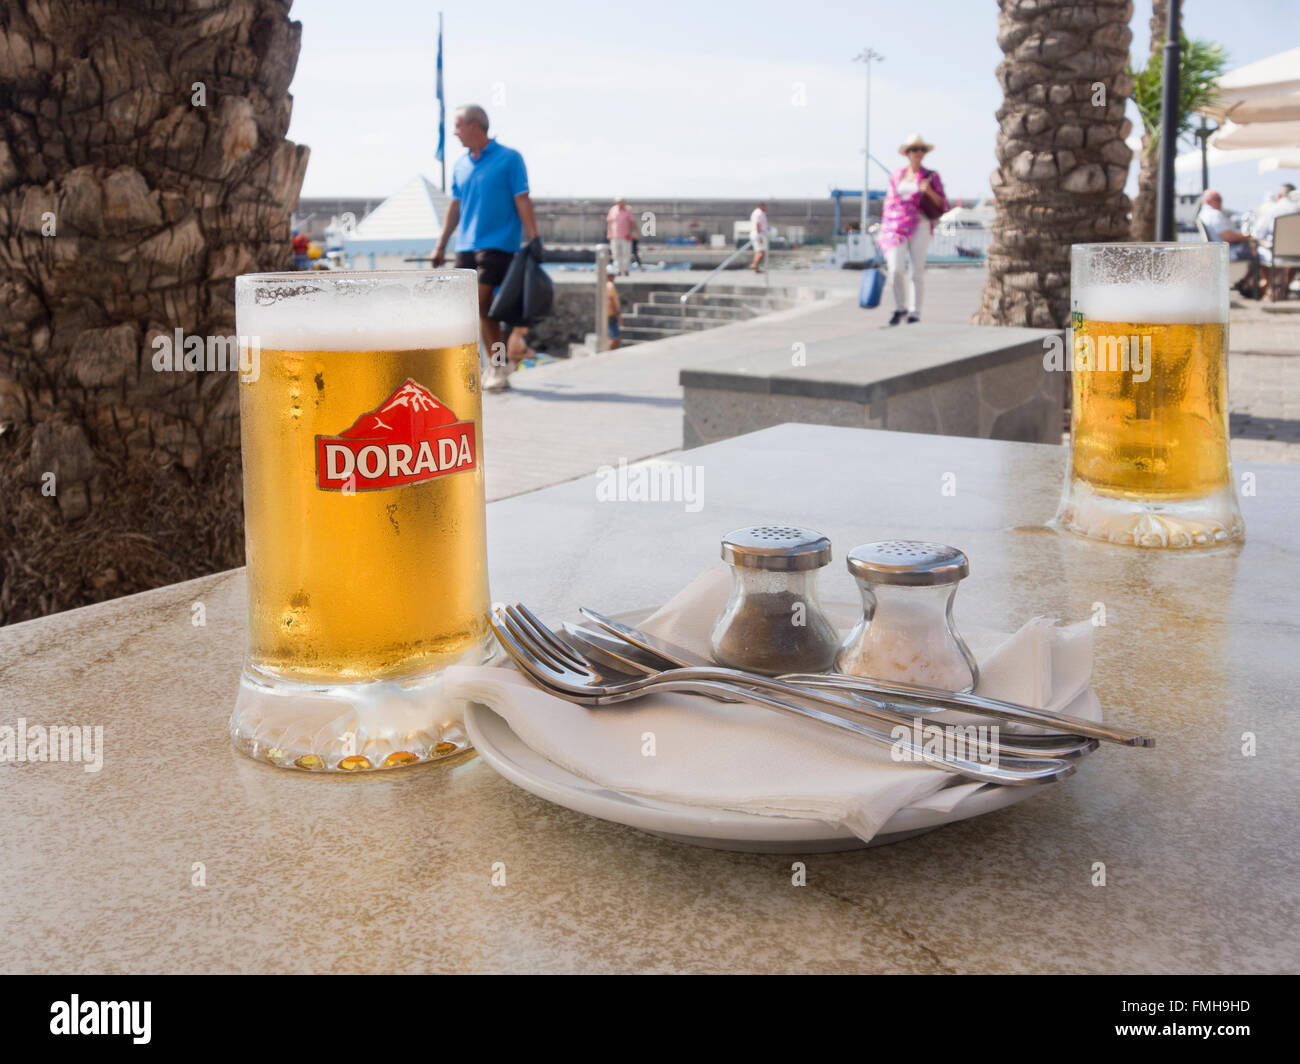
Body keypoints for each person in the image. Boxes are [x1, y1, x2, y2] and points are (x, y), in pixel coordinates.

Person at [432, 104, 541, 391]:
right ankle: (495, 364)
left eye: (458, 126)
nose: (454, 132)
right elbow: (455, 206)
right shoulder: (460, 165)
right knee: (474, 309)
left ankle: (496, 364)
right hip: (466, 244)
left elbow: (522, 199)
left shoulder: (509, 159)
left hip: (498, 244)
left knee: (481, 303)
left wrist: (535, 238)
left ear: (475, 125)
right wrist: (441, 245)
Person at [879, 134, 947, 325]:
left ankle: (914, 312)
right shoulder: (897, 176)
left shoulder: (931, 176)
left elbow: (941, 203)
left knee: (916, 271)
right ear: (907, 153)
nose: (918, 153)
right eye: (914, 149)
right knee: (895, 269)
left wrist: (928, 191)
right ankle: (900, 307)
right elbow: (890, 203)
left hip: (921, 224)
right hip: (896, 227)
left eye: (921, 149)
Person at [1252, 184, 1300, 298]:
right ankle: (1285, 289)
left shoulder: (1273, 209)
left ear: (1279, 196)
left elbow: (1257, 234)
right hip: (1297, 255)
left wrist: (1261, 243)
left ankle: (1271, 287)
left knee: (1258, 249)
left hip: (1276, 254)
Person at [607, 197, 636, 276]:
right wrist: (609, 233)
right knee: (616, 254)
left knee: (626, 253)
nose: (620, 204)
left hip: (626, 236)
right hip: (615, 236)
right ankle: (618, 270)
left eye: (621, 202)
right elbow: (610, 223)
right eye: (618, 202)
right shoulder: (613, 210)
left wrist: (631, 233)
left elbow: (632, 223)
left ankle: (626, 270)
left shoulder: (628, 210)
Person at [606, 271, 623, 350]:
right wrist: (618, 316)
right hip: (612, 315)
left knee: (615, 338)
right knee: (615, 338)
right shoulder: (610, 285)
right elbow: (610, 301)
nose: (614, 277)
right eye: (613, 275)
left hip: (609, 314)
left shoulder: (606, 285)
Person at [750, 202, 769, 271]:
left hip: (758, 233)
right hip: (759, 234)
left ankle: (756, 267)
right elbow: (758, 224)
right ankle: (754, 265)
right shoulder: (759, 213)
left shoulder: (756, 212)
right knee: (761, 251)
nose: (766, 208)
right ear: (761, 206)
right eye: (765, 206)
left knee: (758, 251)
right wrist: (759, 237)